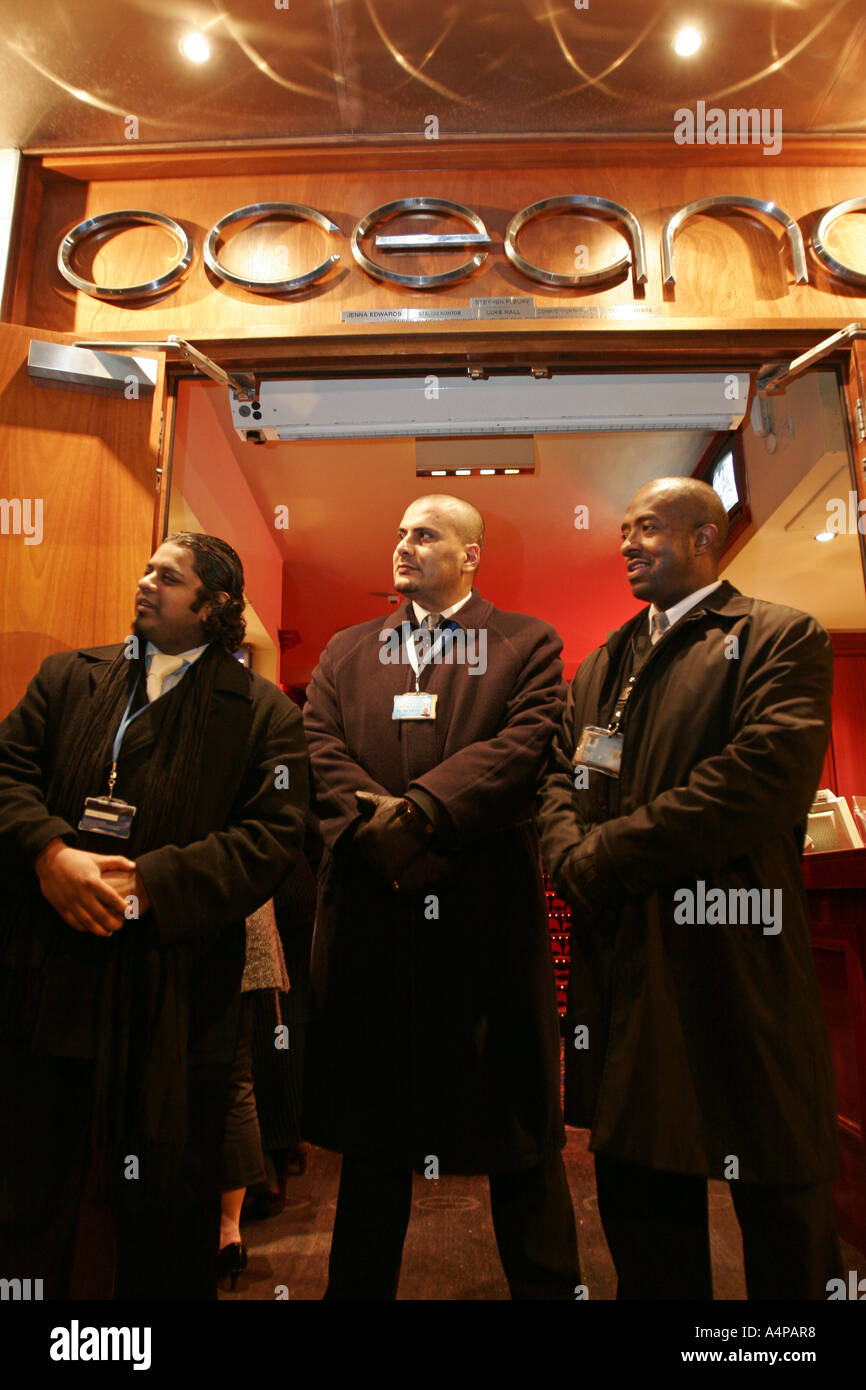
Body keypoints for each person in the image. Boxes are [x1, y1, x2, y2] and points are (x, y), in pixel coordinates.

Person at [537, 475, 841, 1301]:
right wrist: (566, 849)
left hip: (738, 960)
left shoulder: (780, 635)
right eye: (624, 531)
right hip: (626, 966)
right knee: (641, 1200)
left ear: (706, 538)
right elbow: (560, 780)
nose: (627, 544)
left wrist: (603, 859)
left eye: (648, 528)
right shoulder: (605, 660)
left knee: (781, 1203)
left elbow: (757, 782)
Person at [0, 532, 309, 1299]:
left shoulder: (264, 715)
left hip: (177, 998)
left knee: (166, 1214)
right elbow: (7, 773)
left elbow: (270, 840)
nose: (145, 584)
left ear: (217, 606)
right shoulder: (70, 676)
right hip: (55, 978)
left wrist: (147, 884)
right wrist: (49, 854)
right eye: (146, 570)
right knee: (29, 1198)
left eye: (167, 578)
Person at [302, 493, 579, 1300]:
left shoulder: (526, 642)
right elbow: (320, 750)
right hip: (373, 924)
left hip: (482, 924)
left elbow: (527, 744)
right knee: (372, 1146)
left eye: (424, 534)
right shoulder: (347, 650)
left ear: (470, 556)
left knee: (519, 1140)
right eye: (398, 533)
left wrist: (422, 816)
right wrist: (382, 839)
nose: (403, 544)